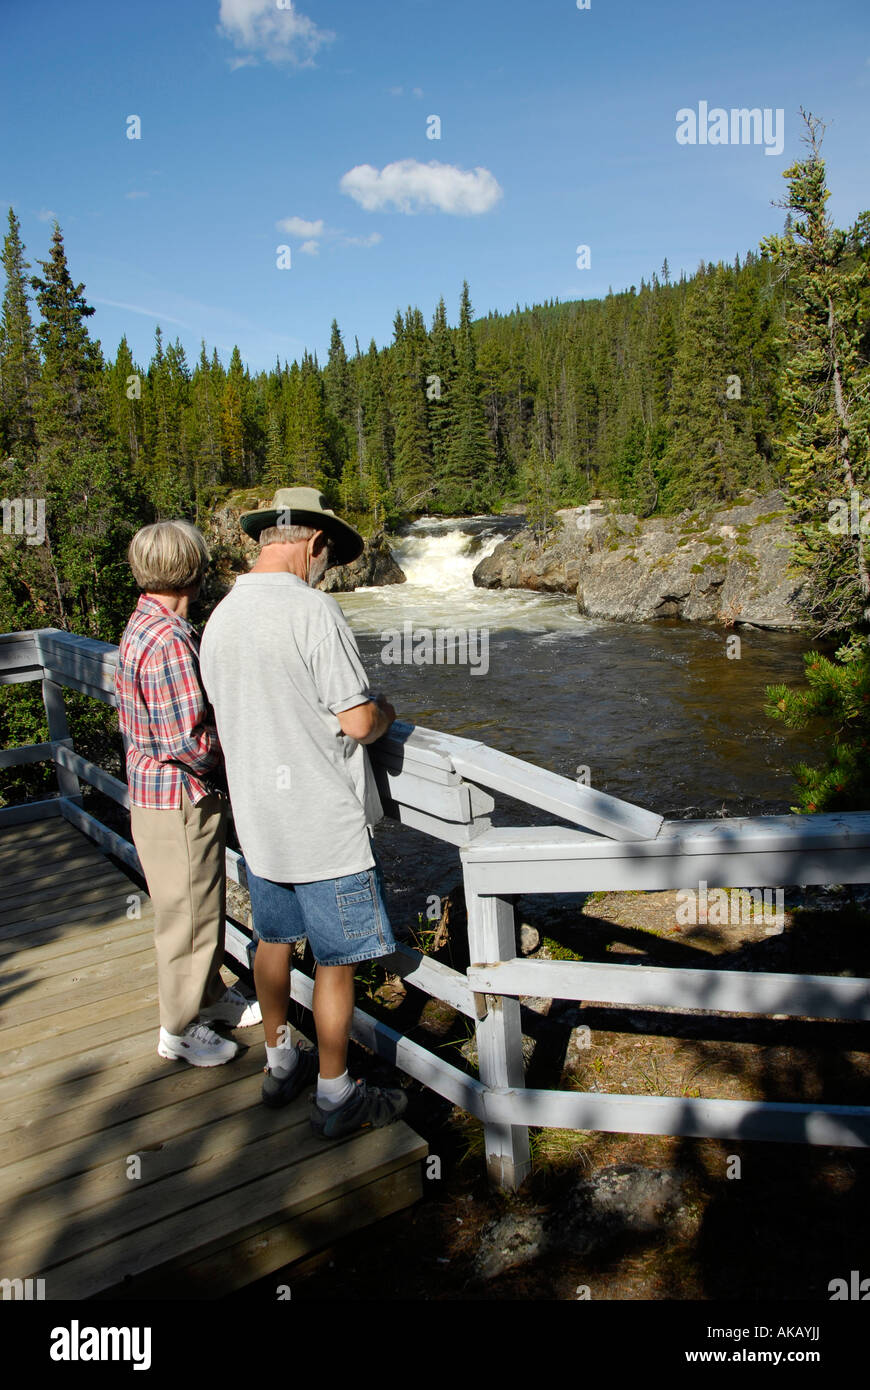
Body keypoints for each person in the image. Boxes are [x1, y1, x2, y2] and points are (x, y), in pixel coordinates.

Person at [199, 487, 408, 1137]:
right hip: (320, 824)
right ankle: (336, 1095)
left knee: (271, 941)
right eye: (330, 555)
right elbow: (355, 718)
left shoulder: (221, 615)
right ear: (313, 541)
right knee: (335, 961)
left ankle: (280, 1060)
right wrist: (386, 713)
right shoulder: (312, 611)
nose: (328, 569)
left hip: (260, 820)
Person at [115, 519, 261, 1067]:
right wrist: (236, 753)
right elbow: (188, 740)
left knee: (196, 903)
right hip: (180, 797)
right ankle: (178, 1029)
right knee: (188, 914)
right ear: (193, 572)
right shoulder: (172, 640)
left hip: (152, 792)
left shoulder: (142, 624)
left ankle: (209, 996)